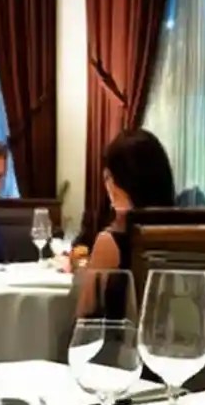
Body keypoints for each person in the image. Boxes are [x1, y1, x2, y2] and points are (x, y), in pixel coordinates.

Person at [75, 129, 175, 317]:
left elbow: (84, 319)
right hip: (173, 341)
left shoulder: (110, 242)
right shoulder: (184, 235)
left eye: (107, 177)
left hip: (120, 343)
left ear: (116, 183)